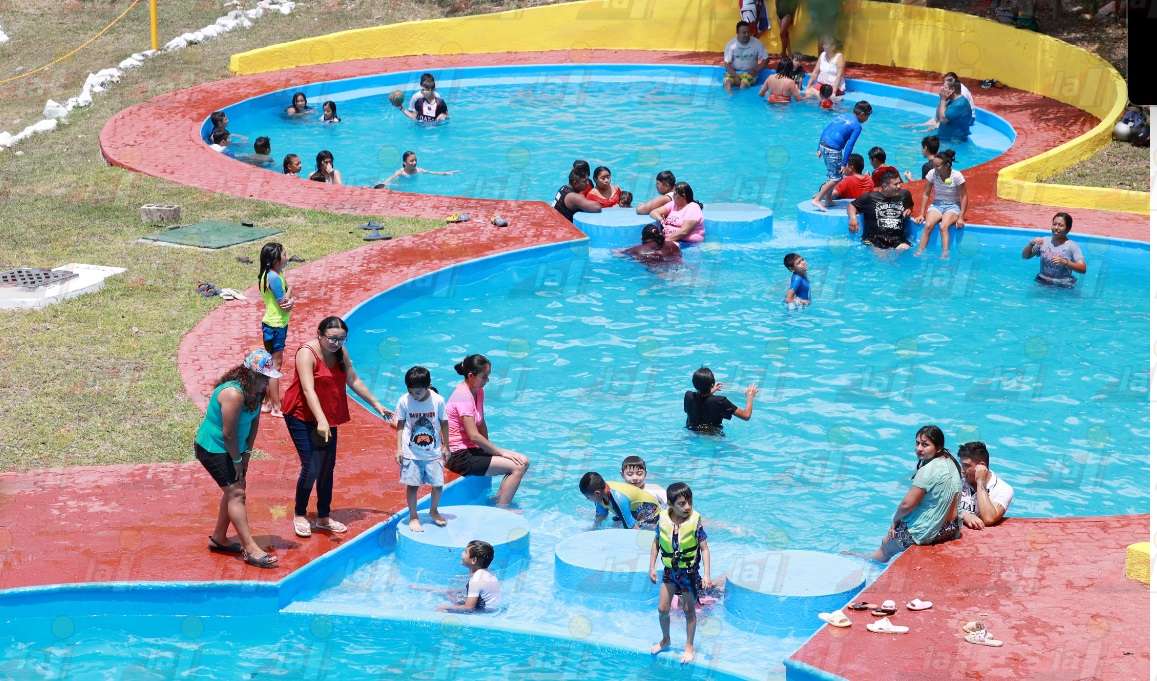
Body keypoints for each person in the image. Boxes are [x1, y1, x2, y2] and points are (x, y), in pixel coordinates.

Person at [281, 316, 393, 539]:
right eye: (332, 339)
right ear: (320, 335)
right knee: (311, 465)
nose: (336, 343)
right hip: (301, 415)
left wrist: (378, 405)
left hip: (327, 414)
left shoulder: (341, 352)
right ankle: (300, 513)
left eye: (341, 339)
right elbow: (308, 390)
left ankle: (323, 516)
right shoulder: (306, 353)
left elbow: (354, 380)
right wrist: (320, 420)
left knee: (327, 466)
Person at [194, 349, 281, 568]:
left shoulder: (257, 391)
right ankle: (250, 548)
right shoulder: (233, 394)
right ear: (250, 373)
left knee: (234, 490)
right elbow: (228, 433)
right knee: (237, 493)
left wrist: (247, 454)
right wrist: (236, 460)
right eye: (264, 376)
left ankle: (219, 538)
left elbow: (254, 423)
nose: (267, 381)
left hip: (236, 450)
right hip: (214, 449)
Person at [445, 354, 530, 507]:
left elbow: (481, 424)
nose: (487, 380)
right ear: (471, 376)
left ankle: (499, 501)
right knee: (518, 467)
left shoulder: (478, 390)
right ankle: (501, 509)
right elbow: (473, 435)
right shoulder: (462, 396)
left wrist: (490, 450)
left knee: (523, 461)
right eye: (484, 377)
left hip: (472, 450)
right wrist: (499, 452)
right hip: (458, 456)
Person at [870, 425, 963, 562]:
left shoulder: (928, 470)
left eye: (925, 445)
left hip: (927, 533)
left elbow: (907, 505)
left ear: (938, 448)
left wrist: (894, 520)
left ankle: (867, 563)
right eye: (917, 443)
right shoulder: (951, 462)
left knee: (886, 545)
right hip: (951, 529)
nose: (919, 448)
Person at [649, 482, 712, 664]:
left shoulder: (695, 522)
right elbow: (656, 543)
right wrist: (651, 567)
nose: (688, 507)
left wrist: (706, 575)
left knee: (688, 611)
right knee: (662, 609)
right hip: (670, 571)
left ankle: (689, 646)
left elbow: (705, 549)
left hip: (688, 573)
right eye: (682, 503)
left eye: (690, 502)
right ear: (670, 504)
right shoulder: (663, 520)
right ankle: (666, 639)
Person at [395, 366, 450, 532]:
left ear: (428, 386)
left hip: (433, 452)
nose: (414, 396)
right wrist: (398, 449)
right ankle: (413, 515)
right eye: (411, 391)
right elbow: (400, 424)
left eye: (418, 392)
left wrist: (446, 445)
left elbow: (444, 422)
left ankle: (434, 510)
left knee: (438, 484)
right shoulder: (404, 400)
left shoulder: (438, 400)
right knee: (412, 485)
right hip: (411, 452)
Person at [813, 101, 873, 210]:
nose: (867, 119)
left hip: (823, 145)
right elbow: (850, 145)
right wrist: (844, 163)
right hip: (833, 150)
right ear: (863, 114)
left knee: (832, 176)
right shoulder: (857, 126)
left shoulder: (843, 115)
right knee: (836, 178)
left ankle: (828, 200)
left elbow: (826, 129)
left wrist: (818, 147)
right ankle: (817, 199)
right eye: (868, 116)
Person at [257, 242, 293, 416]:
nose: (287, 257)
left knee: (271, 363)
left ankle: (266, 402)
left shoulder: (266, 275)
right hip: (277, 325)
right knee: (275, 367)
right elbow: (285, 305)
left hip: (269, 324)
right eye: (284, 254)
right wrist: (291, 296)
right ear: (276, 259)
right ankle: (276, 407)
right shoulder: (274, 278)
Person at [914, 150, 967, 258]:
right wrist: (921, 214)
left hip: (953, 206)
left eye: (937, 166)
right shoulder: (932, 173)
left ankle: (945, 254)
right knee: (928, 225)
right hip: (937, 205)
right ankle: (919, 252)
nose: (934, 168)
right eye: (934, 165)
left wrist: (961, 217)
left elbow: (964, 196)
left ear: (947, 165)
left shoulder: (957, 176)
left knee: (943, 226)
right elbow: (926, 194)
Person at [848, 170, 914, 250]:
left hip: (897, 239)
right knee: (883, 256)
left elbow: (910, 206)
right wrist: (853, 218)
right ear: (885, 186)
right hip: (875, 239)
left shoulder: (904, 195)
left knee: (905, 248)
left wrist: (909, 210)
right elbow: (852, 205)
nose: (899, 186)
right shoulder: (870, 197)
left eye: (899, 183)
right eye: (896, 184)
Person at [957, 442, 1014, 530]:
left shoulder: (1004, 489)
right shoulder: (959, 480)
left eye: (966, 466)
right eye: (962, 465)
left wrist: (980, 483)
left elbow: (989, 519)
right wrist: (965, 515)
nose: (962, 470)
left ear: (981, 466)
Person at [1021, 212, 1086, 287]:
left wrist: (1066, 262)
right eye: (1054, 224)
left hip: (1062, 285)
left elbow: (1083, 269)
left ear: (1068, 229)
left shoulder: (1072, 246)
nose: (1056, 228)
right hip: (1042, 281)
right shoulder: (1043, 241)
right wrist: (1031, 244)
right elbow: (1025, 256)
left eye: (1060, 225)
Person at [683, 367, 757, 433]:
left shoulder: (688, 396)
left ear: (694, 384)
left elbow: (701, 400)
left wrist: (710, 390)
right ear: (712, 384)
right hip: (712, 436)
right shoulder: (720, 402)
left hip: (691, 431)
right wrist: (750, 396)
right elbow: (746, 416)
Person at [579, 471, 662, 529]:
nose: (587, 499)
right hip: (632, 509)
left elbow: (632, 528)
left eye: (588, 497)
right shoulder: (601, 492)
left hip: (650, 510)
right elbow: (601, 516)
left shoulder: (618, 499)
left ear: (597, 493)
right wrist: (593, 529)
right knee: (615, 525)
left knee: (628, 527)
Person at [438, 540, 501, 612]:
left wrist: (446, 607)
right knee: (450, 594)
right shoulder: (487, 574)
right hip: (489, 608)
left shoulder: (476, 580)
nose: (462, 554)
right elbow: (480, 593)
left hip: (484, 613)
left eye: (465, 552)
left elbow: (469, 608)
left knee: (442, 607)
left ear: (474, 560)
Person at [723, 21, 770, 91]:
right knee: (727, 83)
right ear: (737, 33)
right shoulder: (731, 45)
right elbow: (726, 63)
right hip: (734, 72)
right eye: (744, 33)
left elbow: (766, 59)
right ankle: (730, 99)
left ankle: (742, 100)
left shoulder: (757, 43)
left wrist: (756, 70)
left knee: (744, 84)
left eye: (748, 32)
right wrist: (735, 75)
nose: (747, 34)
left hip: (749, 73)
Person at [381, 150, 459, 187]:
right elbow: (389, 180)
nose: (414, 162)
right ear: (404, 163)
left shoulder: (418, 170)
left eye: (415, 160)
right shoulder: (400, 172)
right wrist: (383, 185)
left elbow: (432, 172)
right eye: (411, 161)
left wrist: (445, 173)